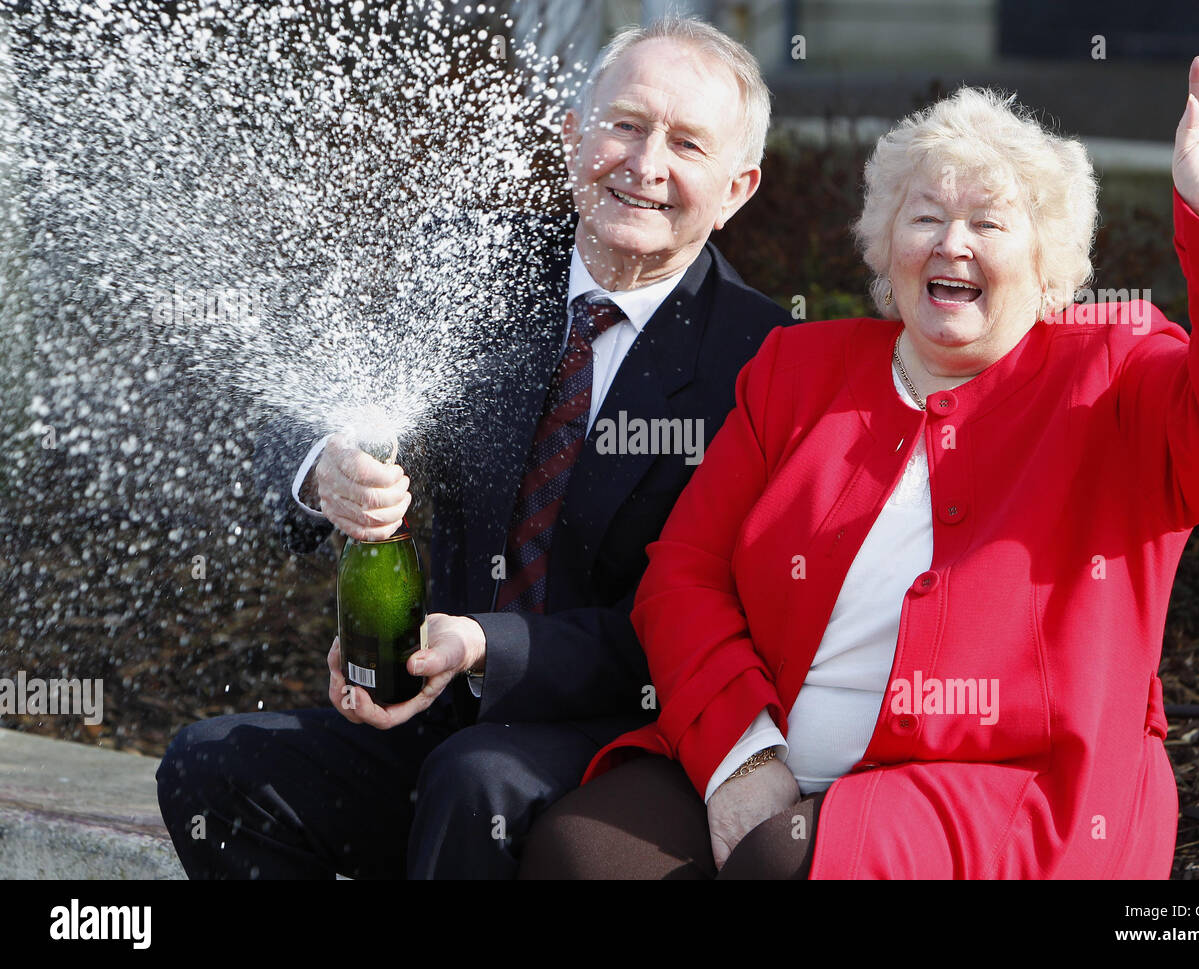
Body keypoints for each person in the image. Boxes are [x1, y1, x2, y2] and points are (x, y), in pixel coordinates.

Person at [518, 49, 1199, 879]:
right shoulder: (800, 370)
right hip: (768, 749)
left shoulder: (1113, 377)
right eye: (925, 216)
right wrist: (742, 756)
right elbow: (685, 575)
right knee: (580, 850)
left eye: (990, 225)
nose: (951, 245)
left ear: (1048, 268)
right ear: (887, 240)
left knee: (783, 863)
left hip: (1001, 787)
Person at [155, 16, 790, 878]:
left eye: (686, 143)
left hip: (618, 733)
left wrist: (491, 644)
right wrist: (324, 469)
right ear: (574, 136)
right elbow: (296, 420)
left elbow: (702, 627)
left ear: (737, 187)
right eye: (626, 125)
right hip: (427, 701)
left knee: (472, 780)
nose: (645, 165)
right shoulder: (474, 262)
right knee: (213, 766)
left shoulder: (762, 361)